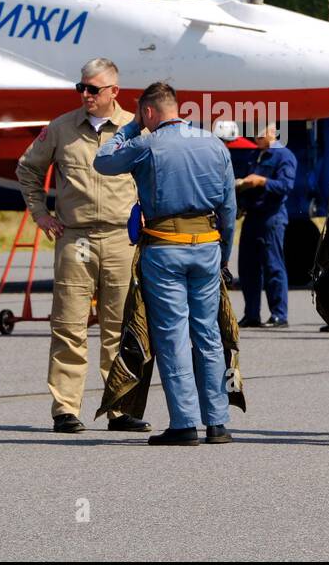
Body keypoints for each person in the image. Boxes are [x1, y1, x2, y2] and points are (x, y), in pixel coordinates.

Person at [94, 82, 237, 446]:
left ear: (149, 113)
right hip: (206, 245)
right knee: (208, 334)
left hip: (165, 248)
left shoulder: (146, 143)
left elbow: (104, 160)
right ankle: (217, 423)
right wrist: (224, 254)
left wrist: (129, 127)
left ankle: (184, 424)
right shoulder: (214, 144)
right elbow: (229, 208)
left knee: (172, 334)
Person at [16, 58, 149, 434]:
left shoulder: (134, 129)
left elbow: (152, 172)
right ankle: (65, 409)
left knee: (121, 327)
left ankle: (120, 408)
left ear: (113, 92)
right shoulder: (61, 128)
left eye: (93, 89)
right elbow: (27, 168)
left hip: (122, 239)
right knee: (69, 324)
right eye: (82, 88)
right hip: (76, 239)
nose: (86, 95)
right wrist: (40, 214)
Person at [237, 124, 297, 329]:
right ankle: (251, 314)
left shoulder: (284, 156)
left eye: (261, 130)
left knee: (273, 266)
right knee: (247, 268)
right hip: (251, 216)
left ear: (273, 131)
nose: (256, 134)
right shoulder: (254, 155)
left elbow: (286, 186)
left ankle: (279, 315)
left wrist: (262, 181)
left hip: (271, 217)